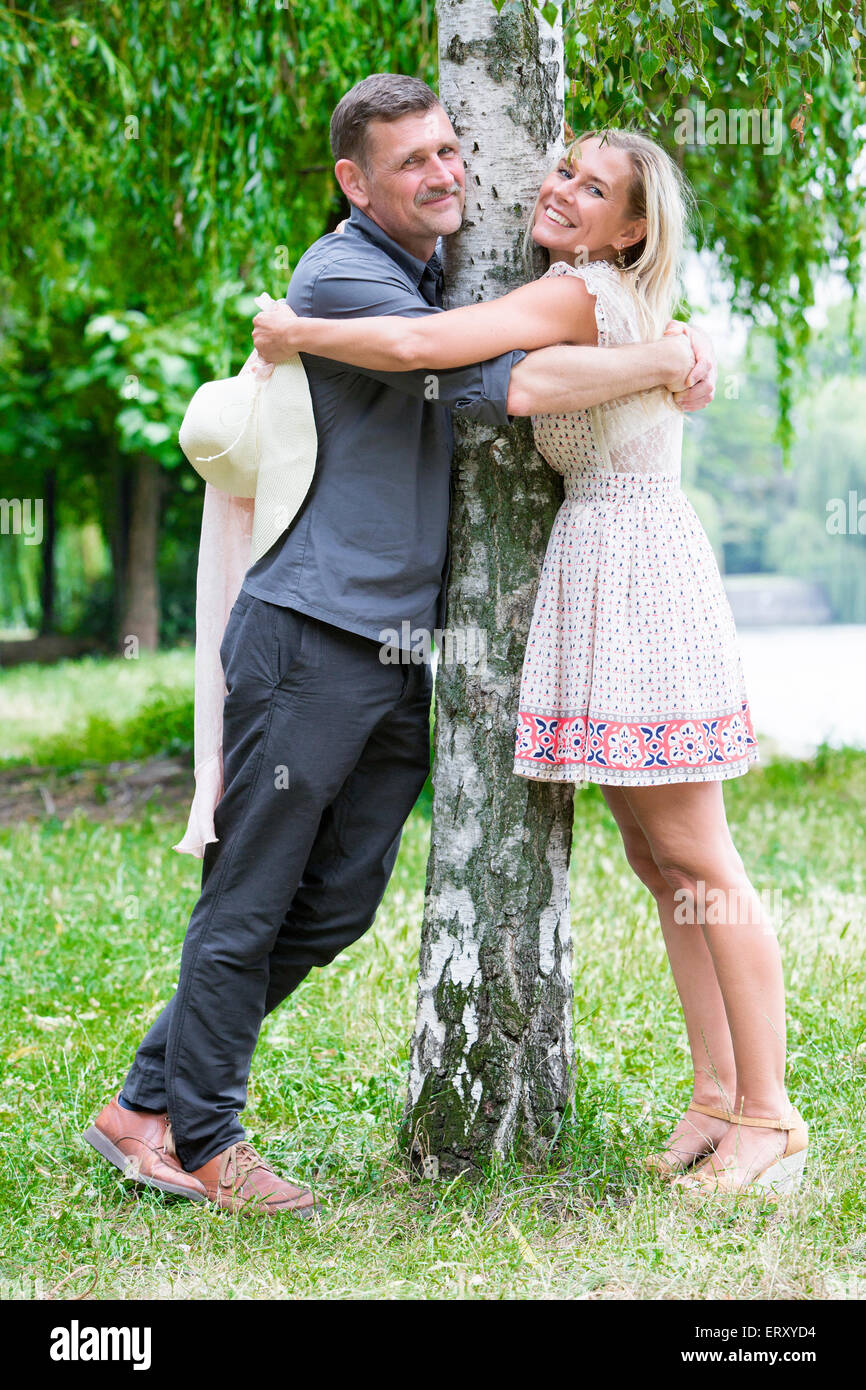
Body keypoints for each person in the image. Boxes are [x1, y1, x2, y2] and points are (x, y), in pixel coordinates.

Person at [82, 75, 710, 1217]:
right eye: (411, 160)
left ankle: (142, 1103)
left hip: (392, 650)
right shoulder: (340, 273)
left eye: (447, 151)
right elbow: (487, 373)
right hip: (311, 631)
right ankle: (206, 1136)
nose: (443, 173)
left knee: (334, 905)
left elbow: (502, 346)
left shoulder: (434, 271)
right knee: (250, 897)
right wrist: (660, 356)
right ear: (352, 181)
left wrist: (656, 345)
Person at [255, 122, 807, 1197]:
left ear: (631, 227)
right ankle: (711, 1095)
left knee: (700, 863)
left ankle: (769, 1115)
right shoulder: (602, 304)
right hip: (609, 561)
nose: (559, 192)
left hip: (637, 569)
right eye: (562, 170)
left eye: (592, 188)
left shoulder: (581, 292)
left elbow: (429, 350)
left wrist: (299, 329)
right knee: (661, 867)